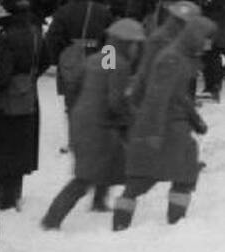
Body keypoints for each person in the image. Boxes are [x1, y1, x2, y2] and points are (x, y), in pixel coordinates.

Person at [111, 14, 214, 231]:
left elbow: (174, 93)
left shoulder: (179, 53)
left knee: (148, 175)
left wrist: (194, 119)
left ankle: (114, 215)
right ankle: (167, 224)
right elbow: (156, 95)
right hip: (157, 123)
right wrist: (151, 131)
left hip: (161, 122)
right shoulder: (112, 55)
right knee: (139, 176)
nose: (209, 43)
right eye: (206, 37)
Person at [42, 19, 147, 229]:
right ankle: (52, 219)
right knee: (85, 175)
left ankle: (99, 201)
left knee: (109, 160)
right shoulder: (118, 62)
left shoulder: (100, 57)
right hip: (99, 123)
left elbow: (78, 86)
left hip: (83, 118)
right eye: (135, 44)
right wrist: (131, 118)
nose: (137, 49)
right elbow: (115, 100)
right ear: (125, 43)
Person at [0, 0, 46, 209]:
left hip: (6, 99)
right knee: (21, 144)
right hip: (28, 96)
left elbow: (4, 70)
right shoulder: (36, 32)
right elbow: (47, 58)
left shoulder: (7, 34)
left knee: (0, 143)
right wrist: (28, 79)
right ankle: (14, 193)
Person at [43, 0, 114, 143]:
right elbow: (110, 41)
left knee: (73, 102)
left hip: (71, 63)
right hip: (97, 60)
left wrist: (56, 60)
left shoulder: (62, 12)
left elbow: (52, 40)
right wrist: (109, 66)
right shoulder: (102, 11)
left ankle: (75, 138)